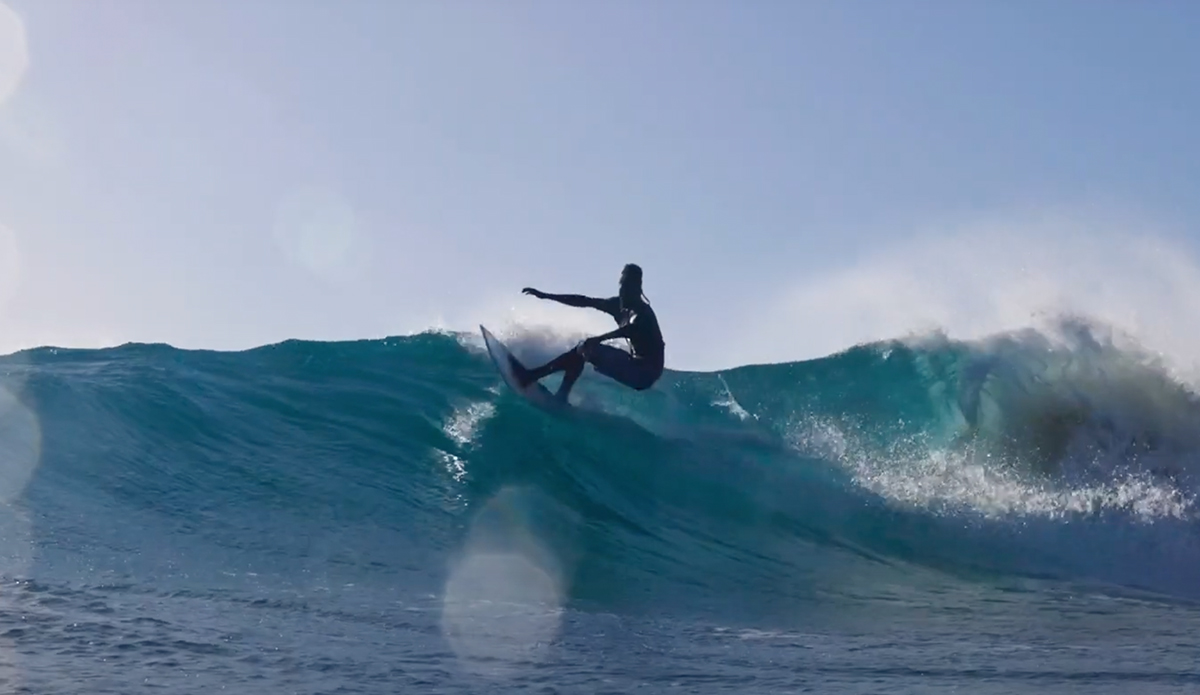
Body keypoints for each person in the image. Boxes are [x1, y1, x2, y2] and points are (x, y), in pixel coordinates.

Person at [514, 263, 665, 402]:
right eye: (621, 286)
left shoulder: (642, 312)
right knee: (582, 349)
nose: (623, 291)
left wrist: (599, 339)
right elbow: (584, 301)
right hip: (634, 363)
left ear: (637, 290)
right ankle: (561, 394)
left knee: (588, 346)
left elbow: (630, 329)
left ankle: (533, 376)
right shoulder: (617, 305)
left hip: (645, 373)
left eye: (627, 287)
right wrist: (546, 296)